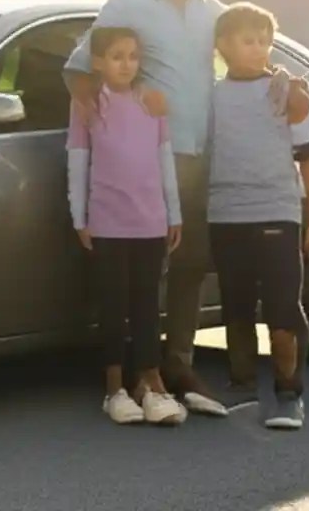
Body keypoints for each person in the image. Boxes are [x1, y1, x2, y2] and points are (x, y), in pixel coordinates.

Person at [63, 0, 232, 417]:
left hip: (202, 156)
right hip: (151, 161)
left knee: (190, 266)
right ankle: (141, 373)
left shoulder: (213, 11)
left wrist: (282, 82)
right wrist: (99, 121)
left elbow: (247, 58)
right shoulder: (127, 4)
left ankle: (177, 364)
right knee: (146, 275)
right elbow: (79, 70)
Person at [207, 3, 309, 430]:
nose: (259, 49)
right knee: (236, 308)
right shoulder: (212, 96)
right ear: (223, 46)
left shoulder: (286, 92)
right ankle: (240, 386)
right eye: (248, 40)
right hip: (225, 217)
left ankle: (288, 395)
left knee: (281, 310)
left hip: (276, 212)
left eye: (264, 40)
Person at [66, 27, 188, 426]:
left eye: (133, 56)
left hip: (150, 221)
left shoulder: (151, 103)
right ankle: (114, 389)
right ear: (98, 61)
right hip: (108, 222)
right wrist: (79, 216)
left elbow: (164, 160)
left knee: (147, 306)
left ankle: (149, 385)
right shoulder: (87, 106)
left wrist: (174, 213)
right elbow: (78, 161)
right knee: (113, 305)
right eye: (117, 56)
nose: (126, 64)